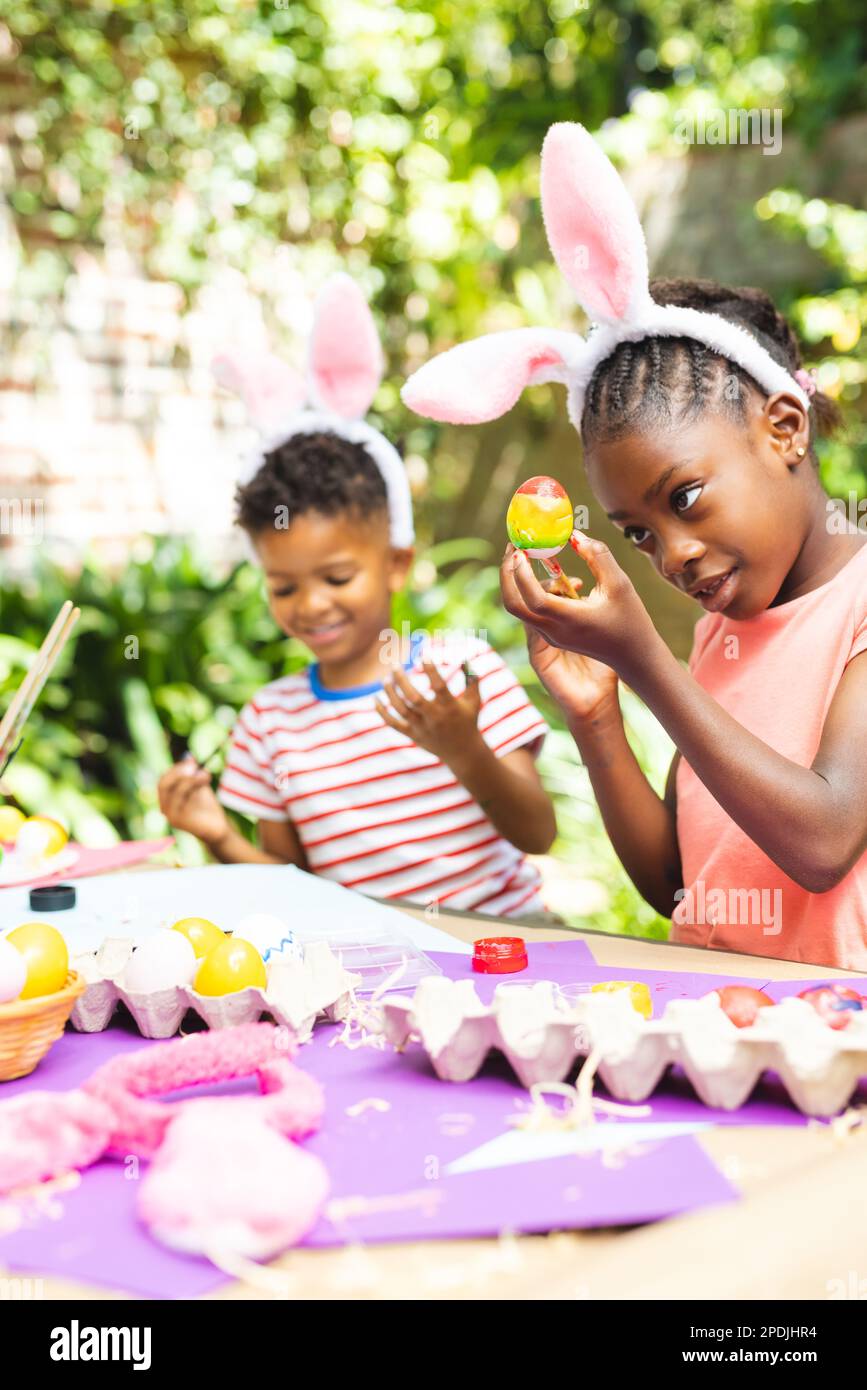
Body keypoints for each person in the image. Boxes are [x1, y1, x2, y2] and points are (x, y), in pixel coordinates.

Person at [402, 122, 867, 970]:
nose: (674, 556)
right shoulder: (721, 632)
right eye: (639, 534)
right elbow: (677, 883)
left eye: (685, 498)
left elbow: (824, 839)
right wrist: (597, 717)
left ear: (783, 430)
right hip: (719, 1037)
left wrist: (648, 665)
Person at [159, 275, 556, 919]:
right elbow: (292, 890)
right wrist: (217, 833)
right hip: (367, 969)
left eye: (337, 578)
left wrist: (464, 749)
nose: (310, 604)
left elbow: (538, 834)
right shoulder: (270, 722)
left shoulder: (462, 674)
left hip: (505, 949)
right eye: (283, 586)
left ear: (397, 563)